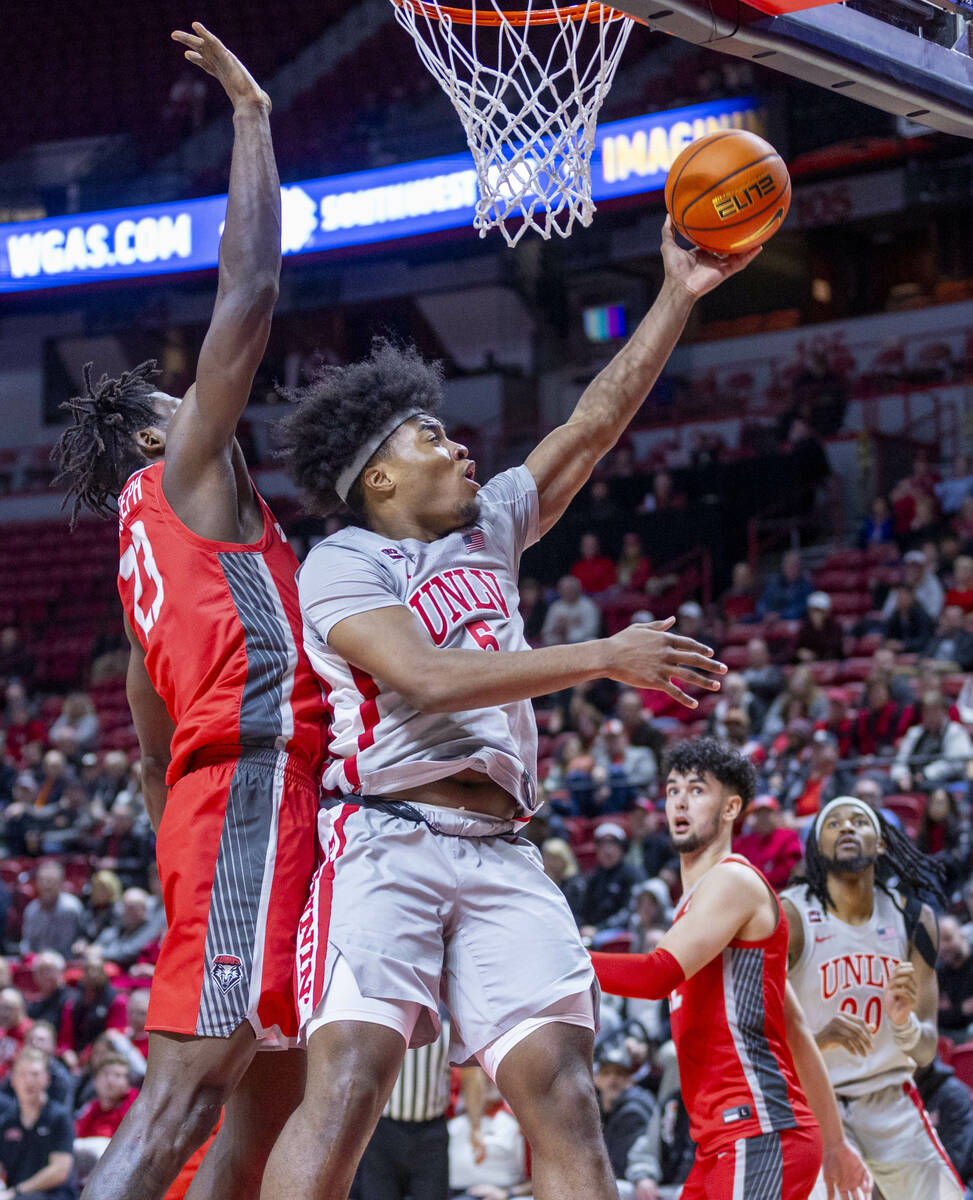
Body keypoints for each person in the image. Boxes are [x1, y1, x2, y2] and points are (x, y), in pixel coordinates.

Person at [261, 219, 758, 1200]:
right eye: (428, 436)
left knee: (566, 1093)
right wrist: (605, 656)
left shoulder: (487, 525)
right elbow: (426, 677)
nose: (457, 447)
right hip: (385, 843)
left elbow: (591, 427)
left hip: (503, 850)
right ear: (379, 476)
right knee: (351, 1081)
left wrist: (677, 292)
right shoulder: (343, 561)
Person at [51, 27, 326, 1200]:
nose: (205, 396)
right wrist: (253, 116)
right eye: (185, 395)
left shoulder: (139, 565)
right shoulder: (184, 475)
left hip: (228, 808)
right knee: (178, 1101)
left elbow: (151, 744)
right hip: (251, 787)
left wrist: (191, 847)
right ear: (162, 434)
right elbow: (251, 290)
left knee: (265, 1109)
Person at [590, 738, 871, 1200]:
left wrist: (559, 957)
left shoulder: (733, 881)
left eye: (697, 790)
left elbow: (656, 975)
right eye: (673, 789)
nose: (680, 800)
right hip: (723, 1142)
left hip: (758, 1130)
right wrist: (835, 1144)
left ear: (731, 808)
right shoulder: (694, 909)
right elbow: (796, 1034)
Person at [783, 796, 963, 1199]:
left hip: (890, 1099)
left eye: (859, 821)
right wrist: (819, 1040)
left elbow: (926, 1051)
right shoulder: (790, 917)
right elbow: (757, 1034)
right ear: (817, 845)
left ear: (881, 842)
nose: (847, 828)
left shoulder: (914, 918)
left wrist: (904, 1026)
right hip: (813, 1102)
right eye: (834, 824)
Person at [0, 1048, 75, 1200]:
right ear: (13, 1081)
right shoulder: (7, 1121)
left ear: (46, 1079)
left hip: (53, 1195)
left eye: (34, 1074)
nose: (28, 1080)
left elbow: (60, 1171)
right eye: (22, 1074)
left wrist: (17, 1192)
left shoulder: (60, 1117)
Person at [593, 1042, 655, 1181]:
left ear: (630, 1080)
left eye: (620, 1074)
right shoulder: (596, 1109)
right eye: (606, 1073)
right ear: (596, 1079)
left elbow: (619, 1167)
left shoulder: (634, 1111)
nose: (613, 1079)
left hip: (634, 1184)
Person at [732, 794, 802, 892]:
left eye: (768, 813)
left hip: (779, 892)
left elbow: (789, 871)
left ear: (777, 815)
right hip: (749, 892)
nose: (763, 818)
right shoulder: (746, 842)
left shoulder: (788, 837)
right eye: (759, 814)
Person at [21, 863, 84, 960]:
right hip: (38, 964)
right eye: (42, 880)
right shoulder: (31, 910)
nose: (46, 885)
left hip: (67, 963)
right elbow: (27, 943)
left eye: (51, 881)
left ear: (61, 883)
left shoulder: (72, 908)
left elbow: (82, 938)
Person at [937, 916, 973, 1042]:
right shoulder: (938, 973)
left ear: (961, 935)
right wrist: (962, 1009)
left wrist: (952, 1010)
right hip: (951, 1040)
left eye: (948, 938)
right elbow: (937, 1017)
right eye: (938, 941)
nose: (943, 947)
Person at [540, 575, 601, 645]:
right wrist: (557, 629)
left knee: (592, 640)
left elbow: (591, 630)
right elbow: (546, 631)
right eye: (565, 589)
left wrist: (568, 635)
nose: (569, 592)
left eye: (571, 588)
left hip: (581, 643)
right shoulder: (556, 607)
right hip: (558, 643)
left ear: (578, 589)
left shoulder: (588, 605)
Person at [757, 550, 814, 622]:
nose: (790, 569)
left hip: (792, 623)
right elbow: (762, 602)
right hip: (769, 621)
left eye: (794, 566)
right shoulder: (773, 584)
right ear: (783, 567)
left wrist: (781, 615)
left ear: (799, 568)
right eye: (787, 565)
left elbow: (804, 607)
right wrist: (765, 614)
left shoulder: (806, 586)